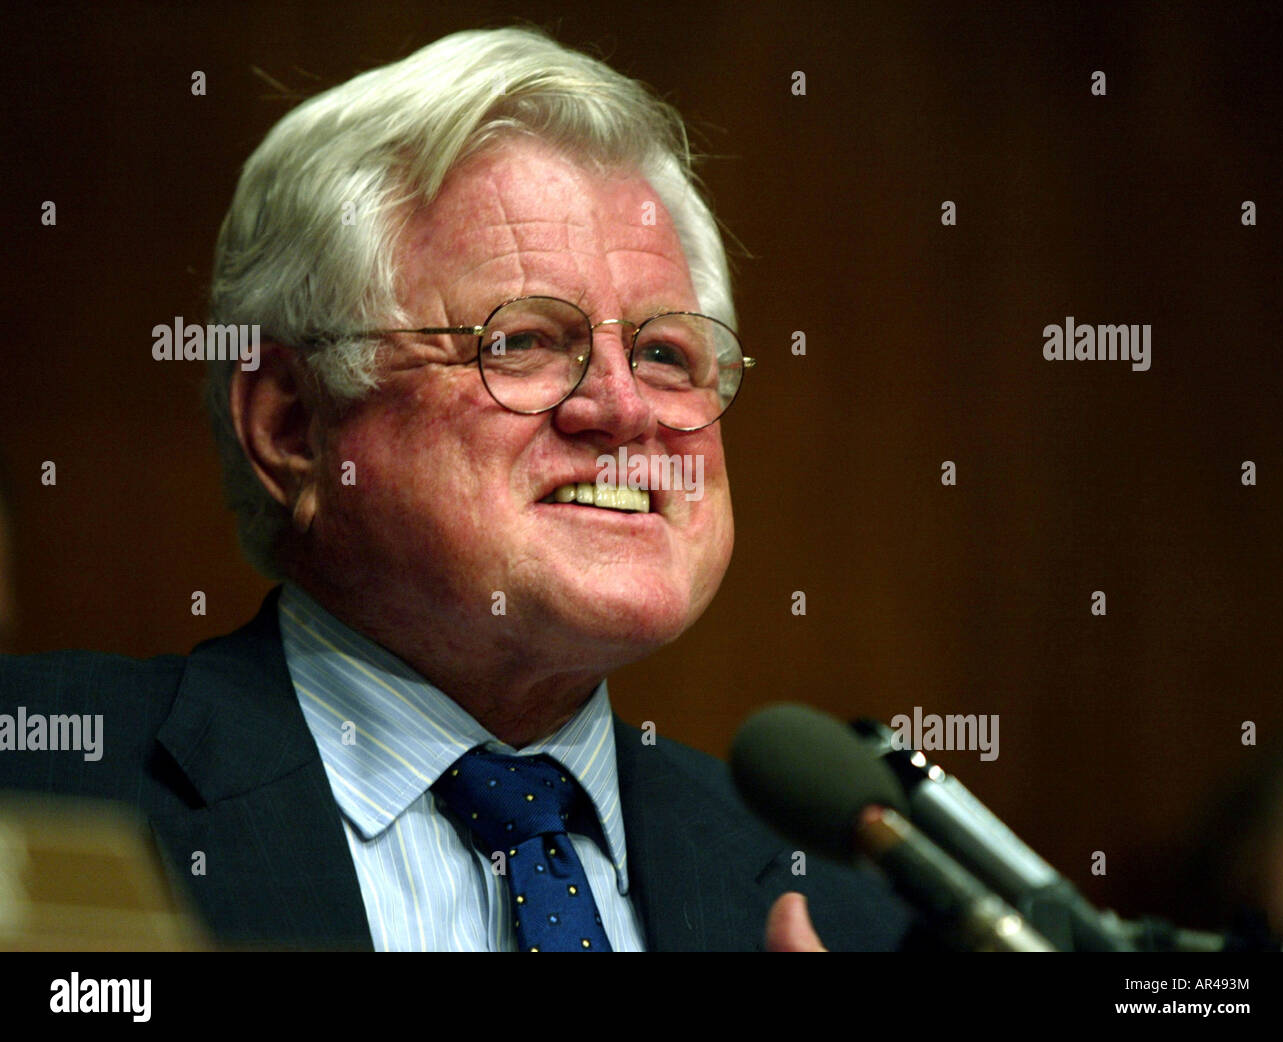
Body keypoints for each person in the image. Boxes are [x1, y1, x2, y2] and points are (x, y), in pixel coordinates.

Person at [0, 27, 913, 951]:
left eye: (665, 354)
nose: (625, 408)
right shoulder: (41, 779)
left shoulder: (857, 909)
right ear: (293, 426)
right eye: (521, 341)